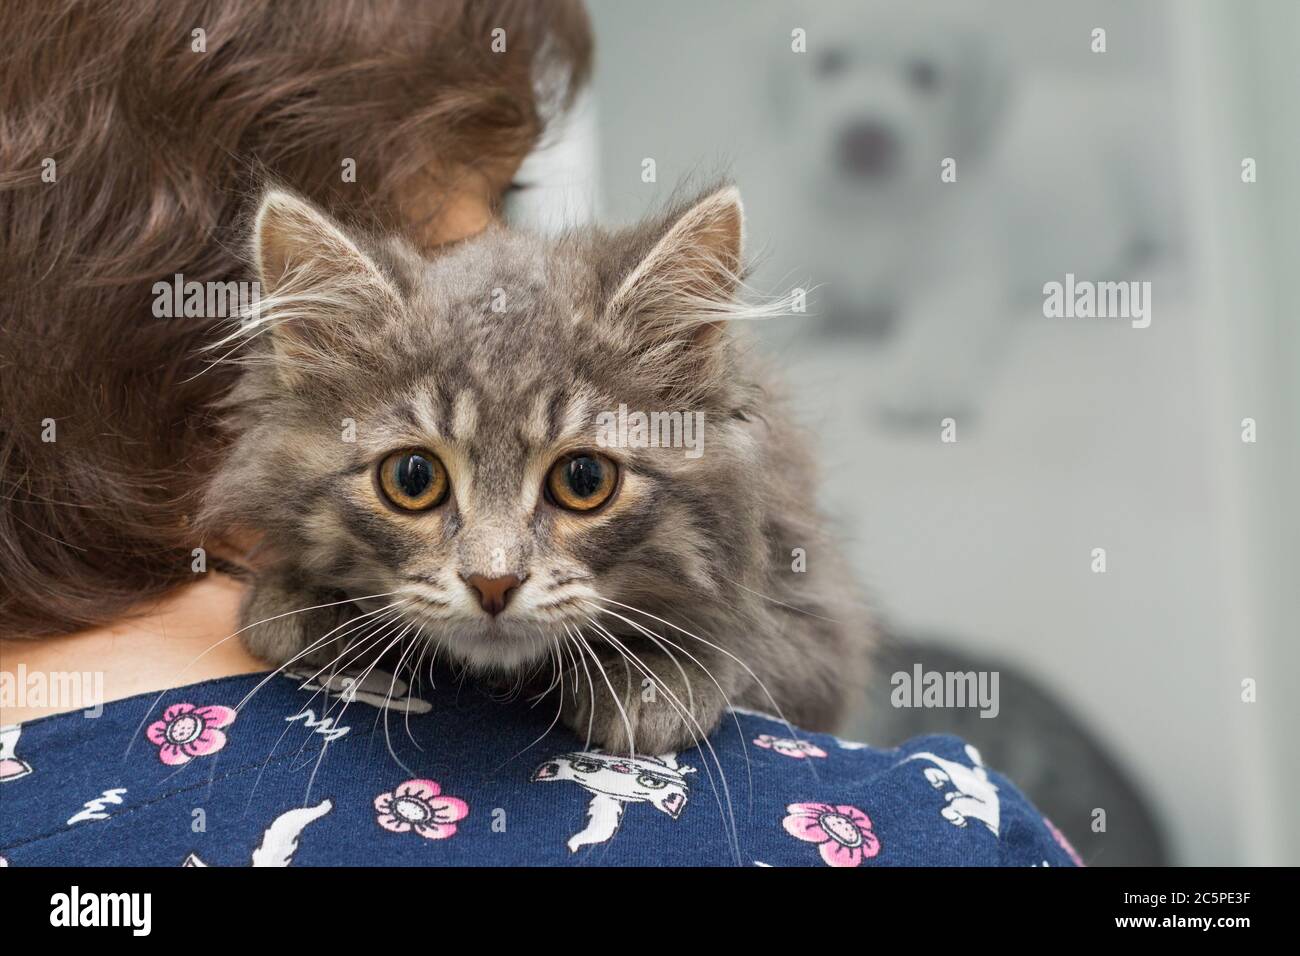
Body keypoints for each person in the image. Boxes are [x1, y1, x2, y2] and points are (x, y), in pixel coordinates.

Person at [0, 0, 1078, 867]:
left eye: (580, 480)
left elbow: (810, 642)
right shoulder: (934, 832)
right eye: (418, 478)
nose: (496, 569)